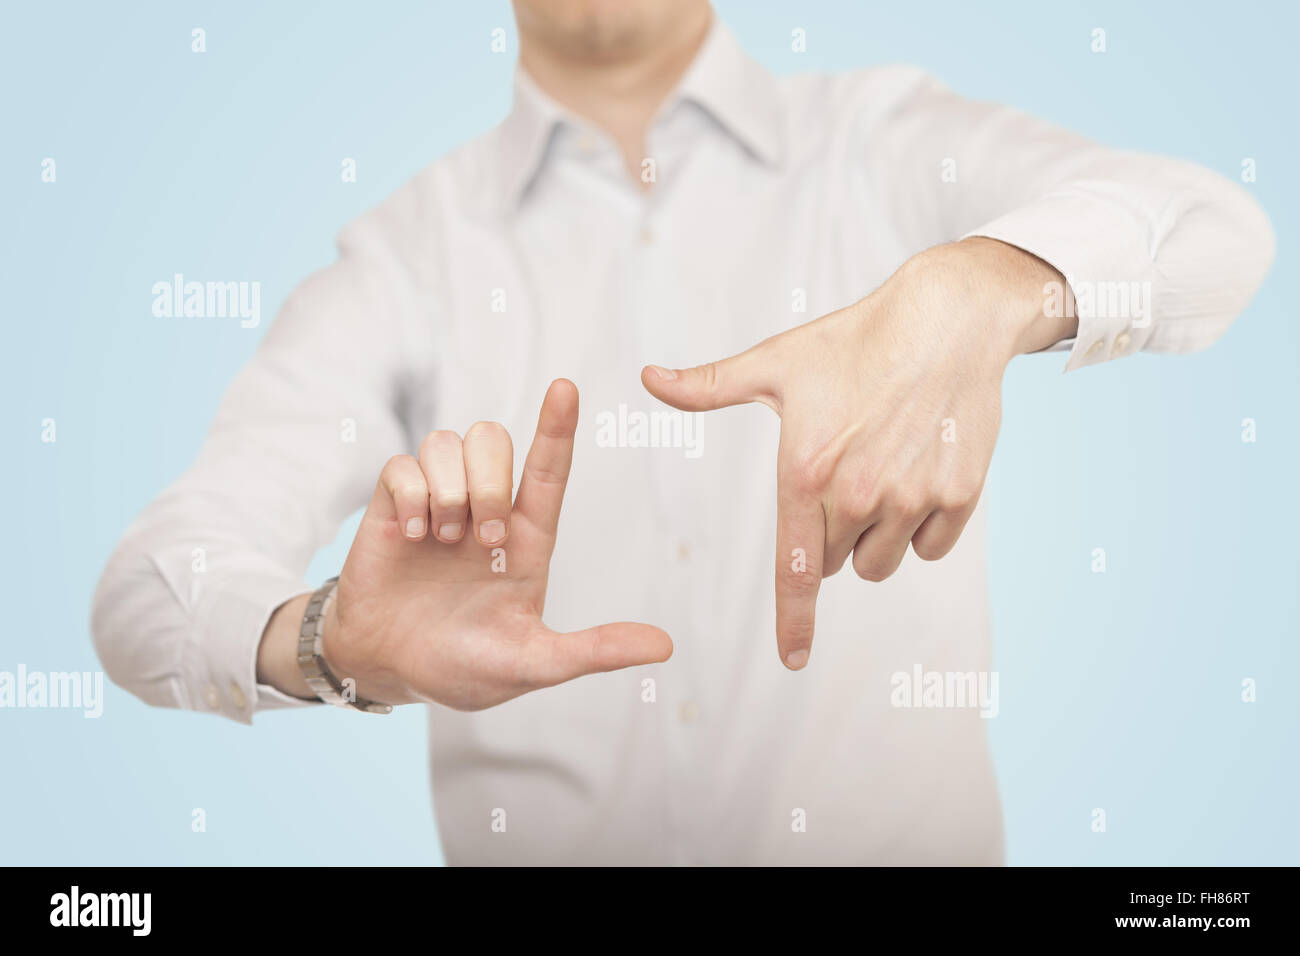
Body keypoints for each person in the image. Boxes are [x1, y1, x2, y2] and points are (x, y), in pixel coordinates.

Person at [91, 0, 1275, 864]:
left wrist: (987, 286)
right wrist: (330, 643)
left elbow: (1215, 231)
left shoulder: (880, 138)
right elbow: (149, 587)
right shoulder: (406, 255)